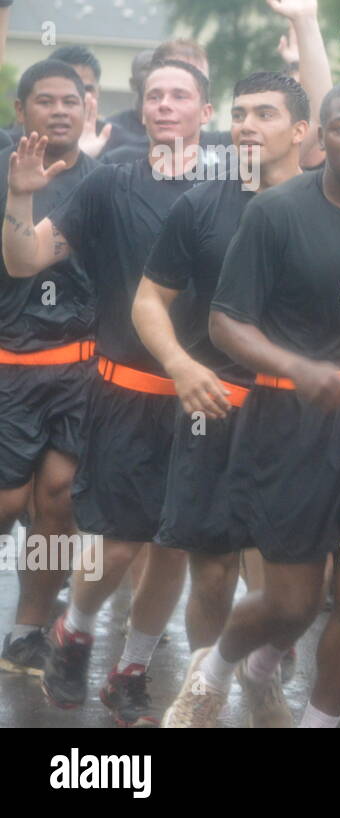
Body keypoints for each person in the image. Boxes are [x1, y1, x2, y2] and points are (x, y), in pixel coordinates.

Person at [161, 78, 340, 729]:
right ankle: (216, 671)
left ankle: (319, 722)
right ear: (320, 136)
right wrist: (297, 366)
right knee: (291, 605)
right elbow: (225, 324)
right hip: (288, 422)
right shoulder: (276, 213)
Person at [3, 58, 216, 726]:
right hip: (125, 392)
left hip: (204, 399)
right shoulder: (108, 187)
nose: (166, 105)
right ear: (138, 109)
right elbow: (23, 261)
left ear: (205, 114)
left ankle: (131, 671)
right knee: (119, 545)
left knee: (173, 547)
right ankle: (77, 625)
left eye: (181, 95)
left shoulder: (234, 188)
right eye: (154, 95)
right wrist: (20, 197)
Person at [131, 71, 312, 728]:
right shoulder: (202, 206)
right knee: (211, 574)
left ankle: (263, 680)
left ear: (301, 131)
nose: (246, 125)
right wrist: (179, 364)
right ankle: (204, 697)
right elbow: (148, 300)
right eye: (239, 114)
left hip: (299, 417)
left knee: (285, 584)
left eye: (265, 113)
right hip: (214, 405)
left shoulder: (330, 204)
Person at [0, 61, 98, 676]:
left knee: (60, 501)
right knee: (7, 500)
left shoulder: (108, 181)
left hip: (82, 371)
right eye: (44, 100)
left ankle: (28, 630)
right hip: (8, 364)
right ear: (20, 111)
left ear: (88, 111)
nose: (59, 110)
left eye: (71, 100)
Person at [47, 46, 112, 158]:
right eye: (69, 89)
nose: (79, 98)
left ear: (98, 92)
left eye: (87, 89)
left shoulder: (121, 144)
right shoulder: (23, 147)